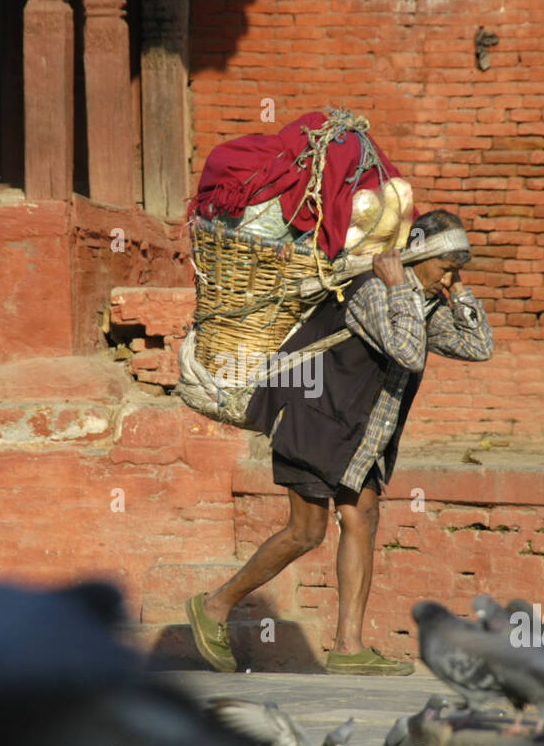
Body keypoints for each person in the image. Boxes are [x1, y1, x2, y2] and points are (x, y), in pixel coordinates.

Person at [185, 209, 493, 674]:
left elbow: (478, 346)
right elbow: (408, 353)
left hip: (361, 435)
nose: (450, 277)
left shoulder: (420, 303)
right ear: (419, 255)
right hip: (316, 421)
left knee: (363, 516)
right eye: (446, 266)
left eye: (457, 269)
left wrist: (462, 293)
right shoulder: (374, 292)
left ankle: (348, 646)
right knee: (306, 532)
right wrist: (396, 287)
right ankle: (214, 605)